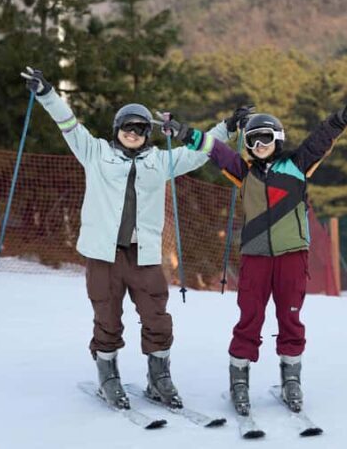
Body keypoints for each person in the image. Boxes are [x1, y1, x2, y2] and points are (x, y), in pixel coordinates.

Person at [20, 67, 231, 410]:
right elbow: (69, 124)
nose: (133, 133)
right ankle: (109, 376)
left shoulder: (160, 161)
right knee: (107, 315)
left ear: (148, 133)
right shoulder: (95, 154)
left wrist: (227, 128)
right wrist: (46, 93)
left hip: (143, 254)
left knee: (157, 316)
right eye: (128, 127)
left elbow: (197, 153)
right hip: (104, 254)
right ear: (117, 130)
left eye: (141, 128)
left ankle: (159, 377)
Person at [163, 90, 347, 414]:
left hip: (292, 256)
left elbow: (321, 138)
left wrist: (344, 116)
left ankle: (291, 380)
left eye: (265, 139)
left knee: (290, 317)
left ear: (278, 139)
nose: (259, 146)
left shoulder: (298, 164)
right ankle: (240, 382)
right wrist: (182, 131)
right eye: (253, 142)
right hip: (256, 257)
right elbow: (213, 149)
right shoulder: (243, 171)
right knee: (250, 317)